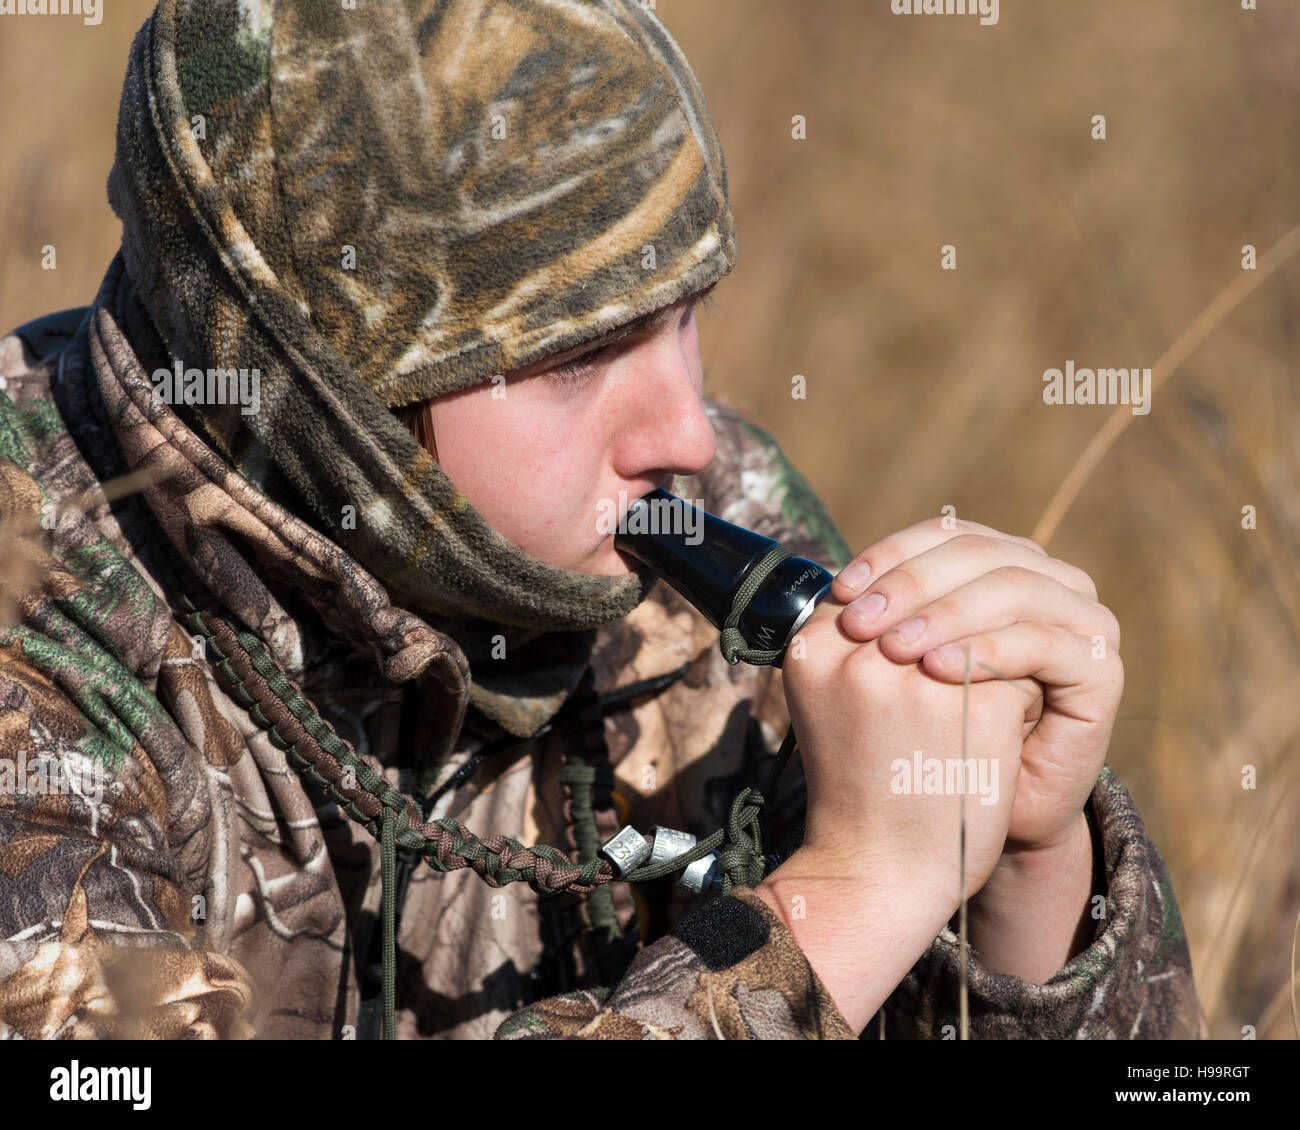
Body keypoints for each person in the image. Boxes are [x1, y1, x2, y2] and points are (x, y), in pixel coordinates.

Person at [0, 0, 1203, 1040]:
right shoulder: (30, 620)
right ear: (321, 373)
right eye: (578, 353)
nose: (685, 428)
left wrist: (1021, 876)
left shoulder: (699, 520)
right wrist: (846, 898)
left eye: (684, 314)